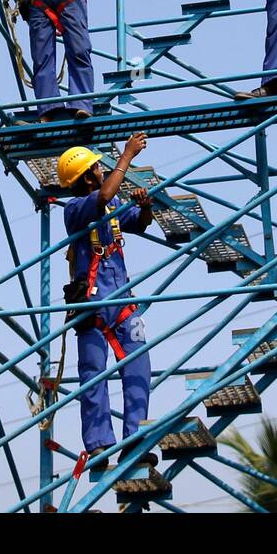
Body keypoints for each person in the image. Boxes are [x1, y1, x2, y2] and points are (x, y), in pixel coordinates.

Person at [57, 132, 157, 465]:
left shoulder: (111, 203)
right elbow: (105, 195)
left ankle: (135, 440)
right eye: (98, 167)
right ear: (87, 177)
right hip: (93, 305)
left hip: (122, 301)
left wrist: (146, 207)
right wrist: (127, 156)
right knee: (93, 374)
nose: (102, 169)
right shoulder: (75, 209)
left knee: (139, 365)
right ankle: (99, 443)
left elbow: (141, 225)